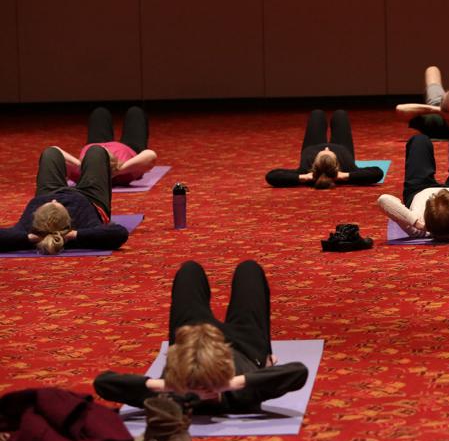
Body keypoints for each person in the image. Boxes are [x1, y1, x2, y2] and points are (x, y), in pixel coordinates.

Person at [94, 260, 308, 414]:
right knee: (249, 269)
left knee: (189, 270)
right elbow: (298, 372)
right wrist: (231, 384)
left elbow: (104, 382)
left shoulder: (174, 396)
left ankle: (180, 349)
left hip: (194, 338)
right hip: (246, 346)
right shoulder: (243, 395)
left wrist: (171, 386)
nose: (209, 391)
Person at [0, 146, 129, 254]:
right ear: (69, 221)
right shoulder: (82, 227)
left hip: (49, 191)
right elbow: (119, 233)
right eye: (57, 205)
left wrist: (30, 238)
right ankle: (85, 167)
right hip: (90, 198)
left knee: (51, 152)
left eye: (49, 204)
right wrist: (73, 235)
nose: (55, 201)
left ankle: (82, 166)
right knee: (96, 152)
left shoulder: (27, 228)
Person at [266, 110, 384, 189]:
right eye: (329, 152)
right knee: (340, 114)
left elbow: (271, 176)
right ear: (337, 165)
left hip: (312, 145)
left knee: (317, 114)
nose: (327, 147)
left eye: (323, 152)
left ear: (314, 165)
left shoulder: (304, 170)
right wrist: (345, 176)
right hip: (342, 147)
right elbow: (377, 173)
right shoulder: (349, 168)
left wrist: (303, 177)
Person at [58, 107, 158, 186]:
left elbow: (55, 151)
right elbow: (150, 155)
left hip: (95, 143)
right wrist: (118, 170)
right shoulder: (126, 174)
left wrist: (82, 166)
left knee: (100, 112)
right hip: (129, 147)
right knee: (135, 112)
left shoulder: (82, 174)